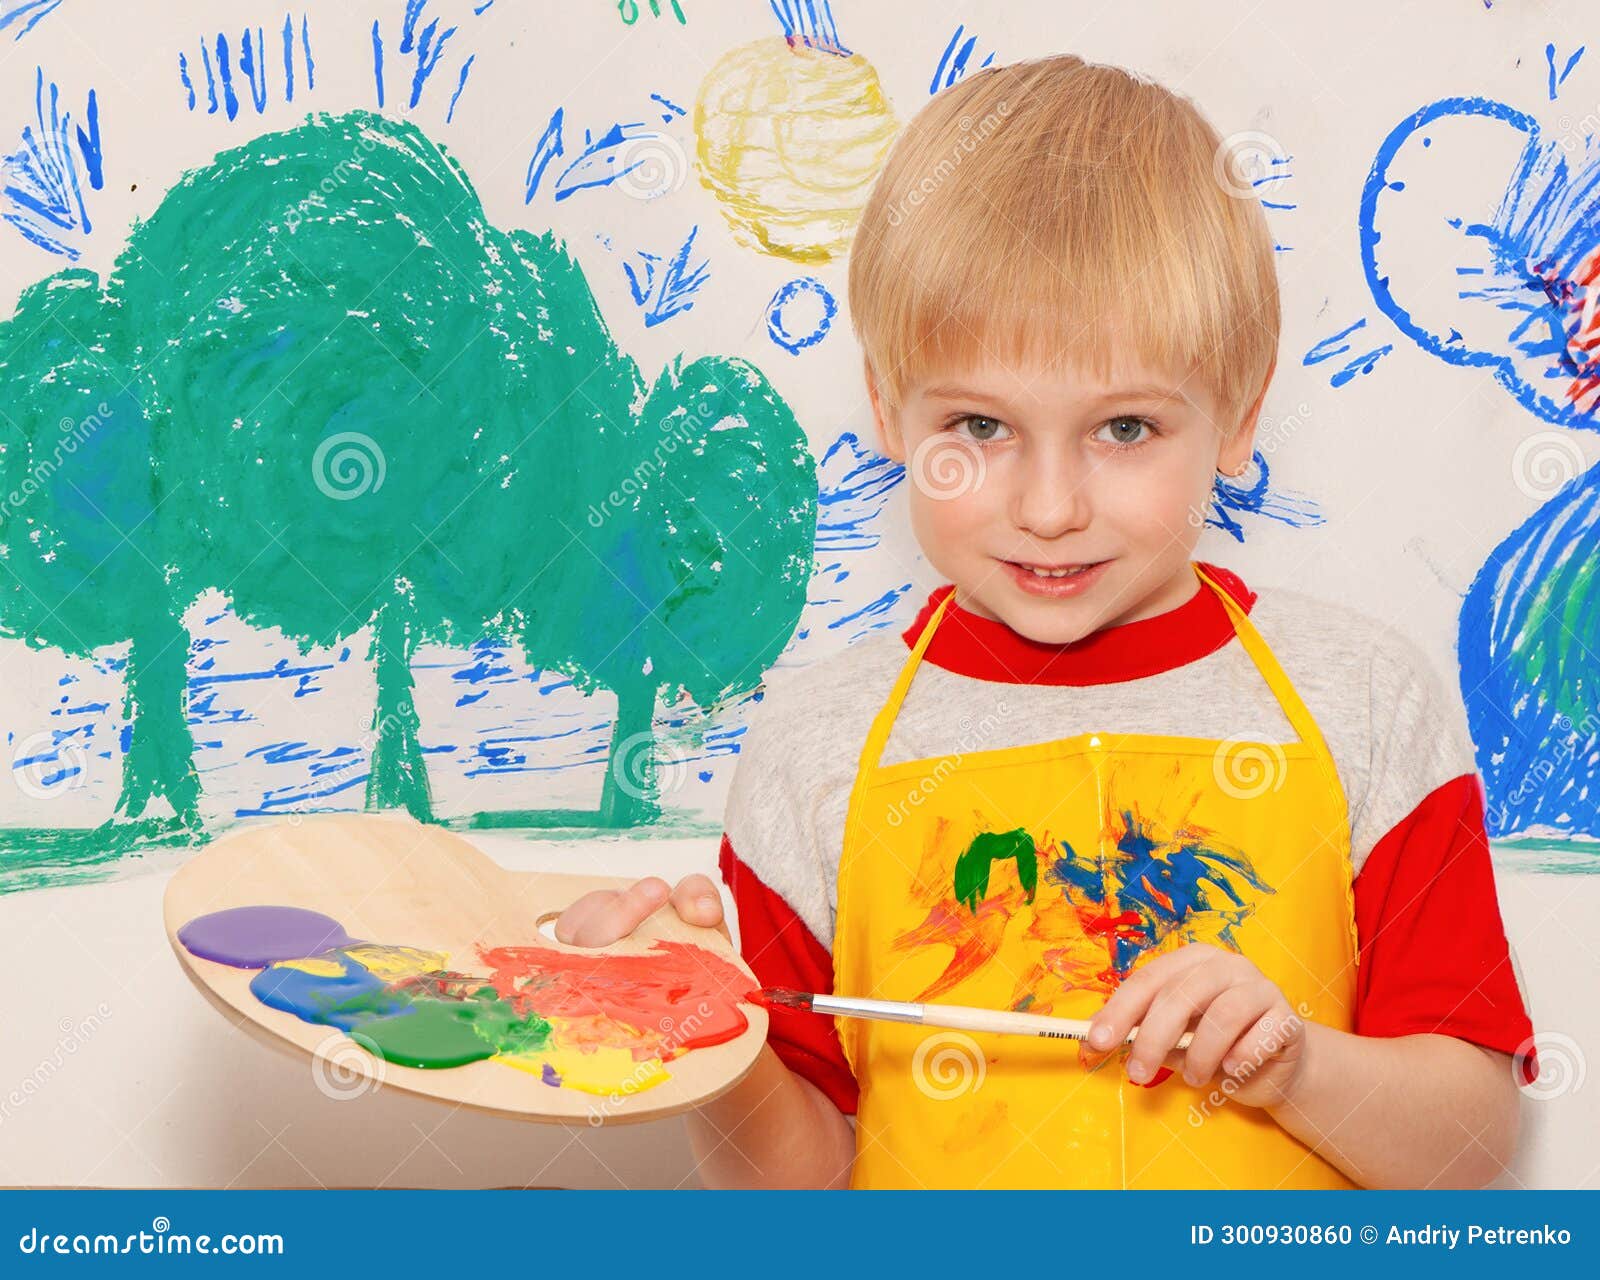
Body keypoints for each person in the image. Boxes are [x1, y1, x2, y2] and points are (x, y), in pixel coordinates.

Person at [554, 53, 1537, 1189]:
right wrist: (701, 1026)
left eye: (1124, 428)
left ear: (1239, 409)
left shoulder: (1364, 698)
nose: (1050, 507)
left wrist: (1292, 1066)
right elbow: (791, 1188)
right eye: (978, 423)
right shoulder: (815, 740)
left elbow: (1467, 1152)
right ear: (885, 405)